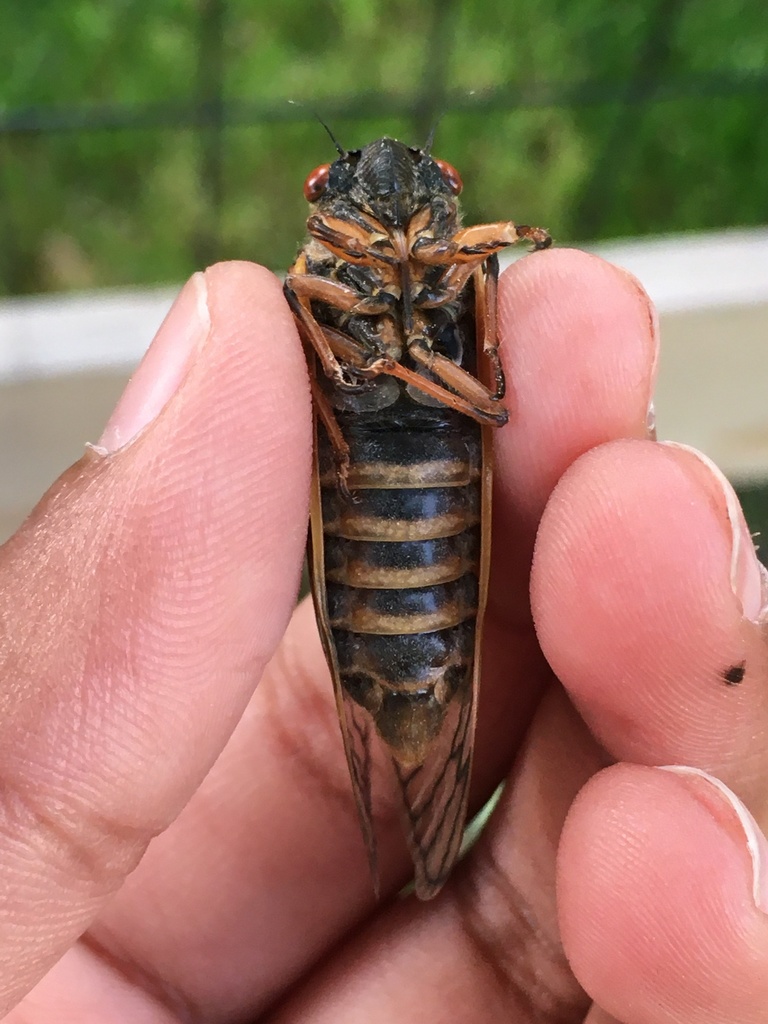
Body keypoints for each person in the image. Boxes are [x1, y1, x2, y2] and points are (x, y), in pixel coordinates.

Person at [1, 250, 766, 1023]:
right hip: (374, 486)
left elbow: (490, 384)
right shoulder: (325, 279)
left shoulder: (454, 266)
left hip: (431, 488)